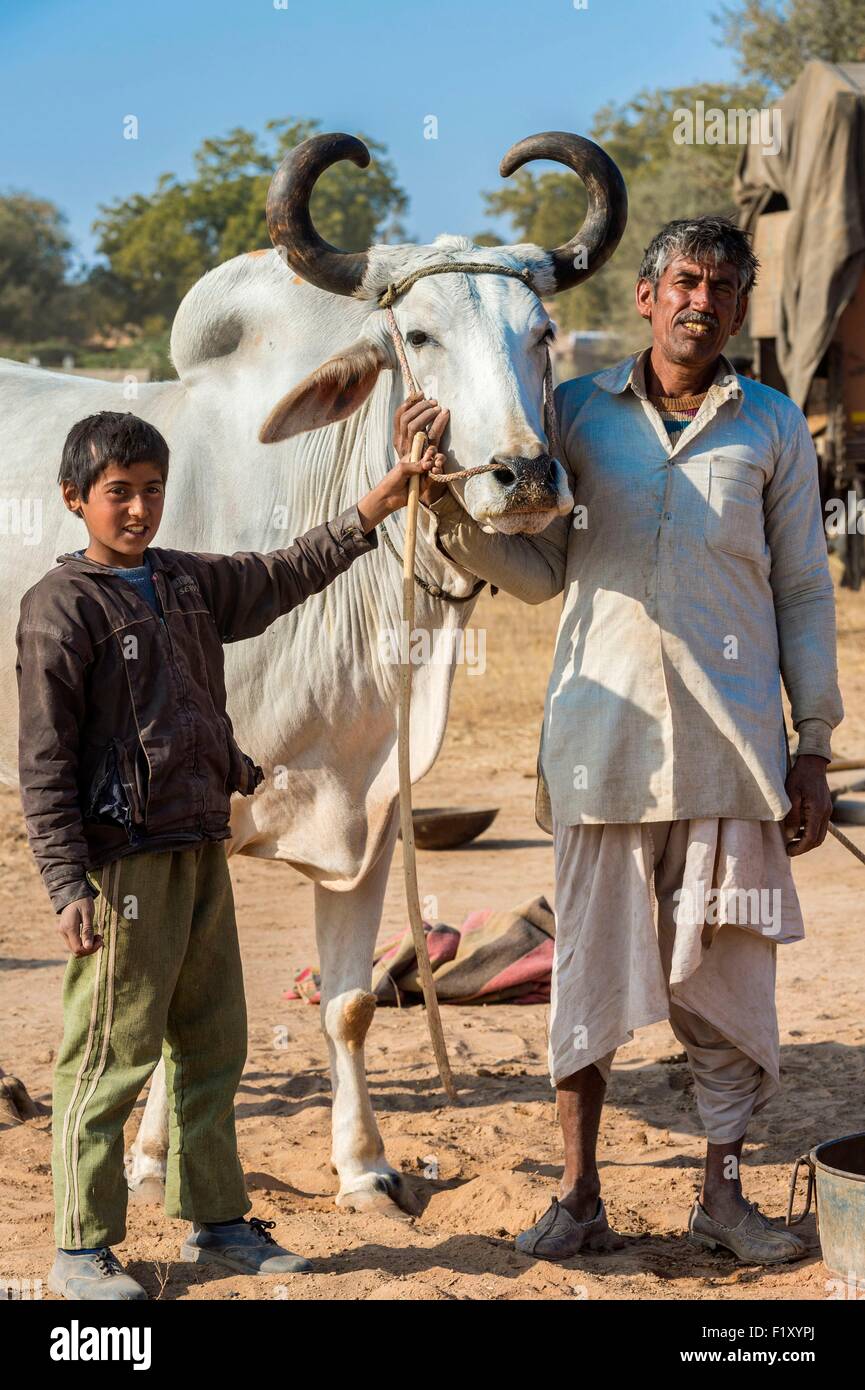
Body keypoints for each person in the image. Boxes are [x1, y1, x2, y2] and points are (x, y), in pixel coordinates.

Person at [411, 215, 843, 1264]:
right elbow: (540, 570)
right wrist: (447, 508)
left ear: (743, 309)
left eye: (723, 287)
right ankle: (577, 1194)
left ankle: (722, 1198)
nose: (702, 301)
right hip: (600, 746)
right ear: (646, 298)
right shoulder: (574, 415)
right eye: (684, 282)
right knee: (589, 986)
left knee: (730, 990)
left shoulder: (773, 426)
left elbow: (800, 589)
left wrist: (814, 745)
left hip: (732, 752)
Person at [16, 407, 444, 1300]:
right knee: (108, 1054)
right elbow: (44, 764)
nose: (138, 510)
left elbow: (282, 573)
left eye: (152, 492)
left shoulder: (180, 582)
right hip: (122, 864)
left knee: (213, 1044)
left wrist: (379, 505)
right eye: (117, 494)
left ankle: (216, 1224)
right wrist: (67, 883)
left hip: (199, 846)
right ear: (73, 500)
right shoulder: (60, 610)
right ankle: (81, 1249)